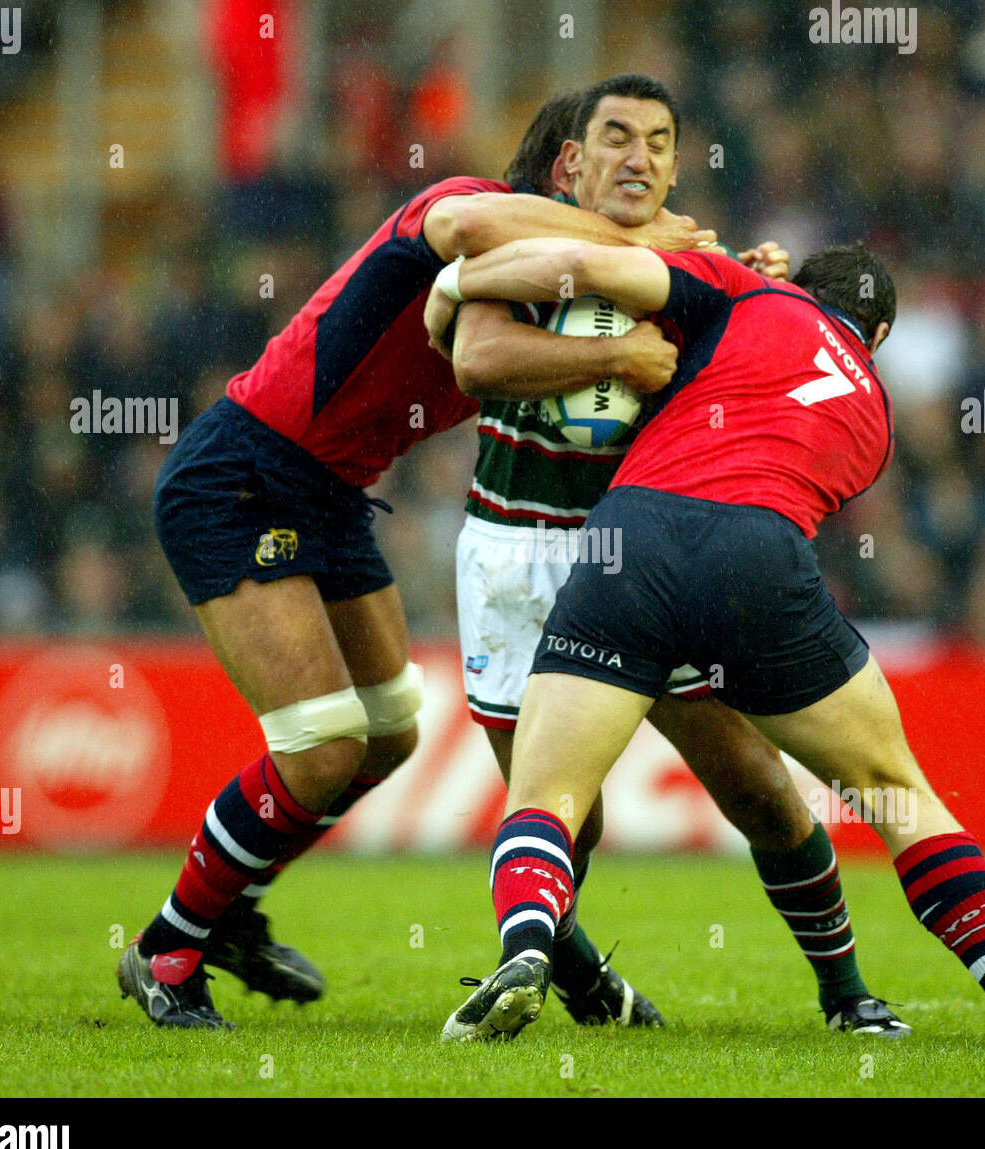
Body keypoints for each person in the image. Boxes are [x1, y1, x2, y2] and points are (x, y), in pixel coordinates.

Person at [425, 234, 985, 1049]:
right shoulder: (875, 418)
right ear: (877, 339)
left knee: (546, 799)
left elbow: (595, 272)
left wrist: (456, 278)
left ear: (799, 285)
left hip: (625, 544)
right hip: (759, 559)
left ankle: (526, 949)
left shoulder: (744, 292)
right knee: (893, 788)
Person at [117, 137, 716, 1029]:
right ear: (560, 173)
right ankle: (167, 947)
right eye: (611, 158)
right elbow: (471, 224)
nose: (637, 196)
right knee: (320, 746)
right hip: (245, 476)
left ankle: (228, 904)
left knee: (391, 733)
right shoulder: (468, 210)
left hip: (330, 495)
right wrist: (650, 249)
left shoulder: (559, 296)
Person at [451, 76, 908, 1035]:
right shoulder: (514, 243)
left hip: (645, 555)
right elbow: (477, 363)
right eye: (616, 137)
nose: (639, 158)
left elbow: (757, 363)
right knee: (560, 812)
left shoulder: (698, 263)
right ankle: (574, 985)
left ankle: (847, 993)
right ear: (572, 163)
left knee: (758, 788)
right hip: (516, 554)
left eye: (658, 142)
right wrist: (616, 358)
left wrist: (764, 288)